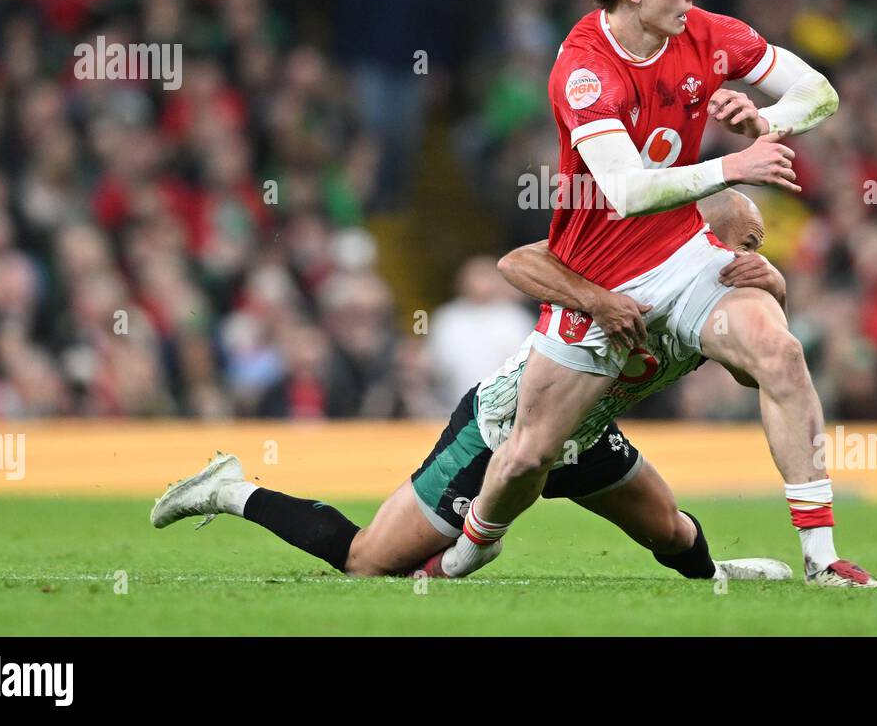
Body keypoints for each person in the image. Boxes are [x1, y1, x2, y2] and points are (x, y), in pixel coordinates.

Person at [439, 0, 877, 587]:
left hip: (684, 254)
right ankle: (472, 544)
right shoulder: (584, 68)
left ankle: (822, 558)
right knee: (529, 455)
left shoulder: (707, 34)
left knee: (780, 353)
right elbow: (625, 189)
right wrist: (734, 166)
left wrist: (764, 115)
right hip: (598, 276)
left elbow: (818, 91)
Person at [150, 193, 795, 583]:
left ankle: (716, 579)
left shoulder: (726, 307)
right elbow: (516, 262)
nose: (757, 254)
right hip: (506, 427)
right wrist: (597, 300)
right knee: (369, 561)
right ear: (707, 236)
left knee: (675, 534)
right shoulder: (633, 258)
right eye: (751, 242)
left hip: (587, 435)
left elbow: (751, 371)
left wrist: (774, 288)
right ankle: (232, 489)